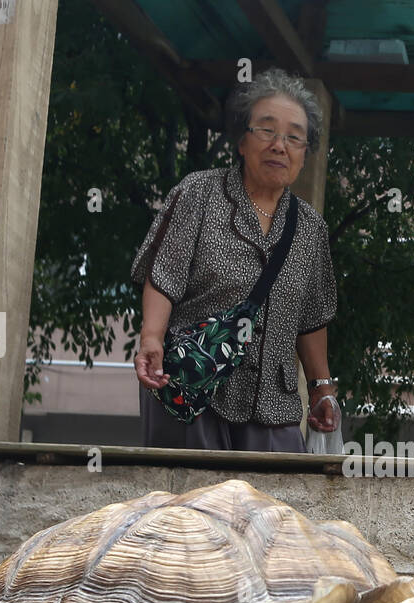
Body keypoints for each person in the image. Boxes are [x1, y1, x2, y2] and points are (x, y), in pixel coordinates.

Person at [131, 68, 339, 452]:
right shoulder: (199, 193)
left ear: (304, 154)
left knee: (276, 493)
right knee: (192, 492)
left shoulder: (311, 228)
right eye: (266, 130)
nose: (279, 145)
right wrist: (151, 338)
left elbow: (312, 317)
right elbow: (163, 275)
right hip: (192, 390)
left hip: (273, 405)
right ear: (242, 141)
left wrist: (321, 388)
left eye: (294, 137)